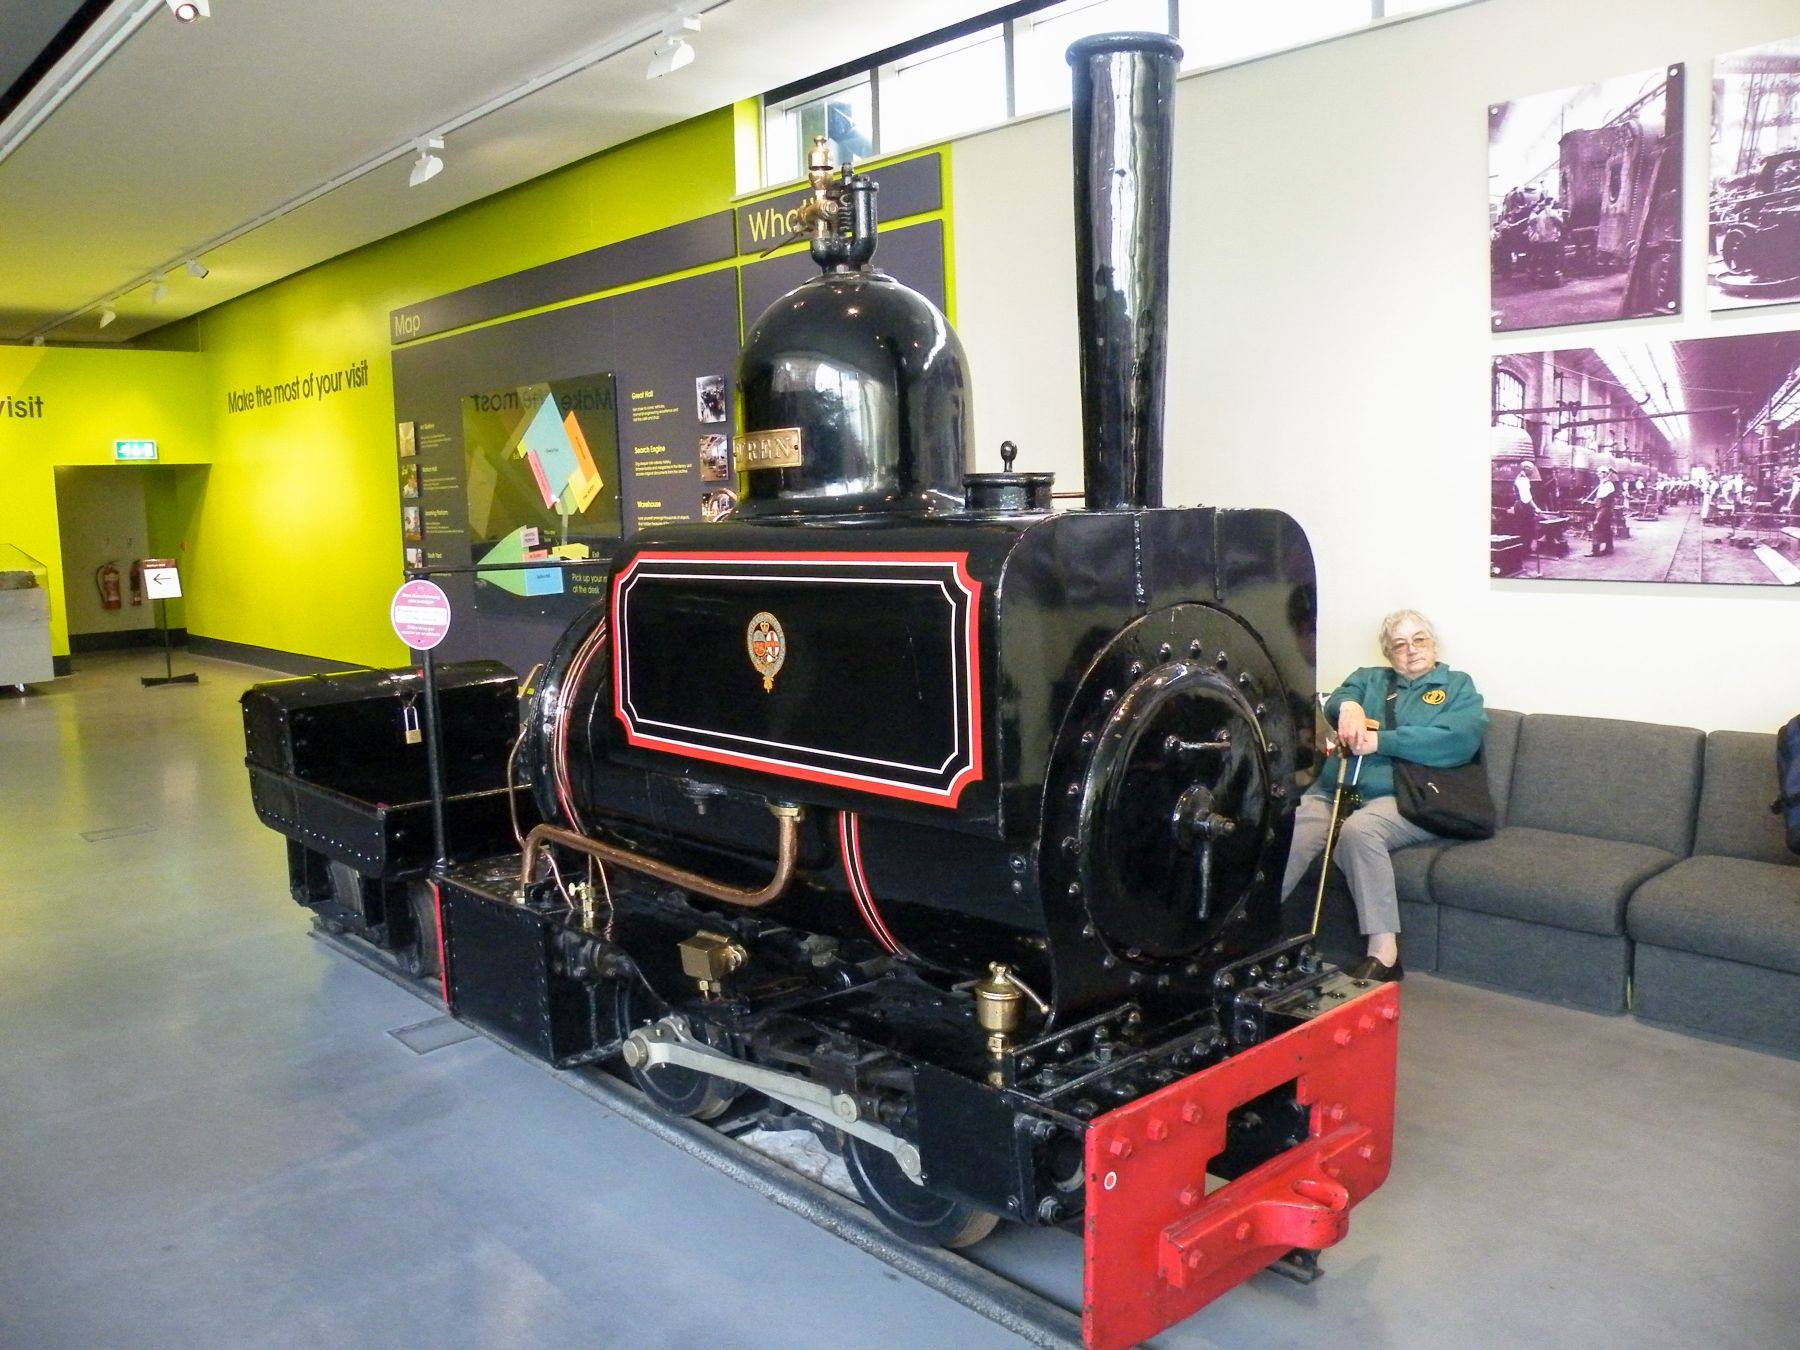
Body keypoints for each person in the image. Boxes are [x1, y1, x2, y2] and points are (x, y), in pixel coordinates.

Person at [1279, 610, 1487, 983]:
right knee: (1286, 832)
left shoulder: (1456, 686)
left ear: (1433, 643)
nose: (1411, 650)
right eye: (1399, 644)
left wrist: (1381, 741)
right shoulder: (1369, 679)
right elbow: (1338, 699)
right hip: (1334, 790)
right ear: (1388, 653)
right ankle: (1247, 936)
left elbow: (1459, 739)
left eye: (1419, 640)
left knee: (1360, 832)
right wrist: (1349, 707)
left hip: (1405, 796)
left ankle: (1384, 954)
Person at [1587, 466, 1618, 555]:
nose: (1598, 474)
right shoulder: (1602, 483)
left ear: (1605, 474)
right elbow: (1599, 496)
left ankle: (1595, 550)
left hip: (1605, 508)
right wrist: (1593, 501)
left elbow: (1605, 497)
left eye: (1600, 473)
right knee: (1606, 528)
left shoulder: (1609, 484)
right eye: (1598, 473)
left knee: (1597, 525)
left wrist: (1598, 500)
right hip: (1601, 507)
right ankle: (1609, 548)